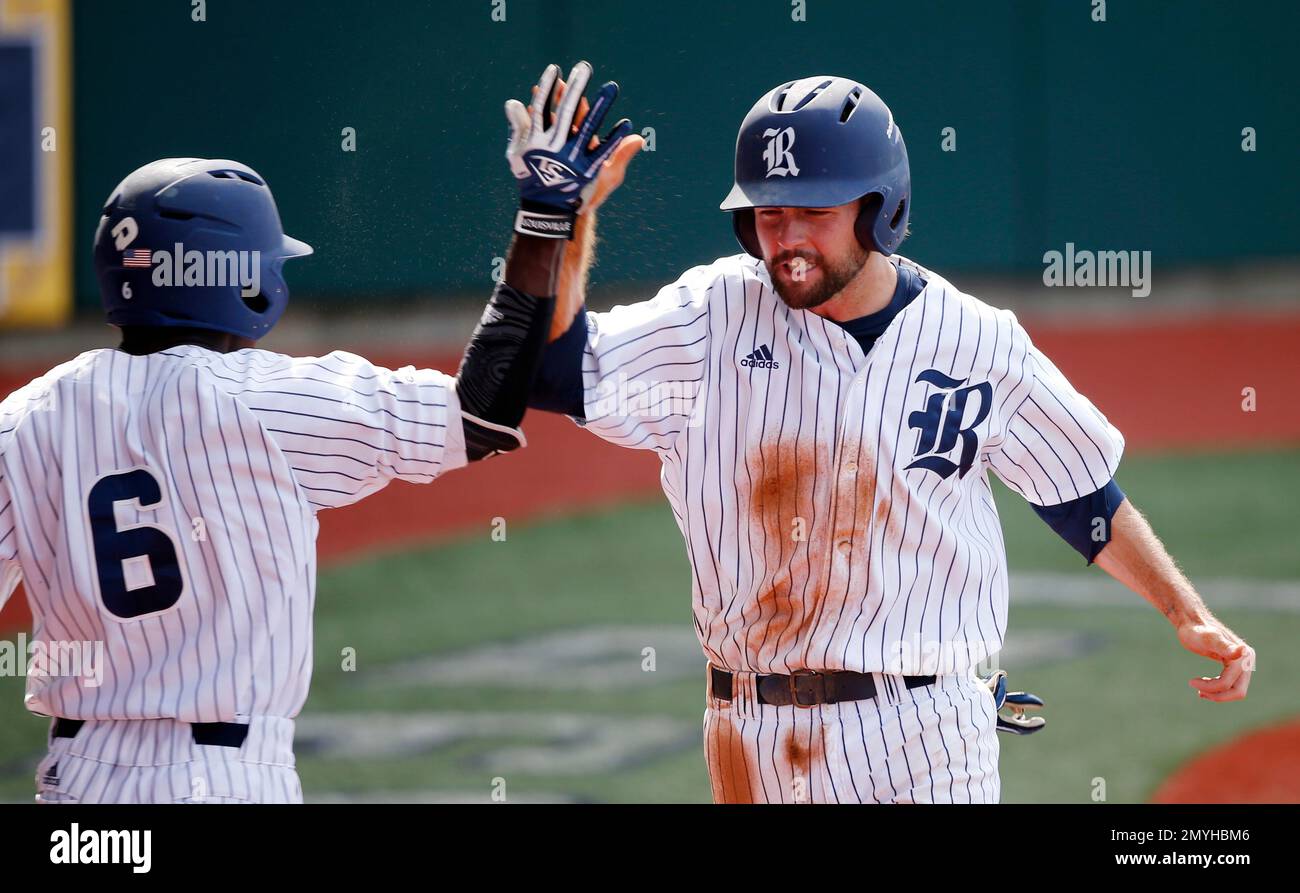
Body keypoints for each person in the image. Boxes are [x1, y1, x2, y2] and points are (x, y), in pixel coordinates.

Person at [527, 74, 1255, 803]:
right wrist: (561, 220)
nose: (787, 239)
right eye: (768, 215)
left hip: (930, 733)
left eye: (813, 212)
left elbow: (1082, 497)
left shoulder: (978, 341)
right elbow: (555, 369)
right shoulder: (713, 316)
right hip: (752, 737)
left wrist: (1187, 612)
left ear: (881, 208)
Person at [0, 59, 633, 805]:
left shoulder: (26, 420)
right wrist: (544, 217)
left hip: (77, 789)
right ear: (237, 276)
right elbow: (480, 414)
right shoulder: (270, 400)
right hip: (224, 779)